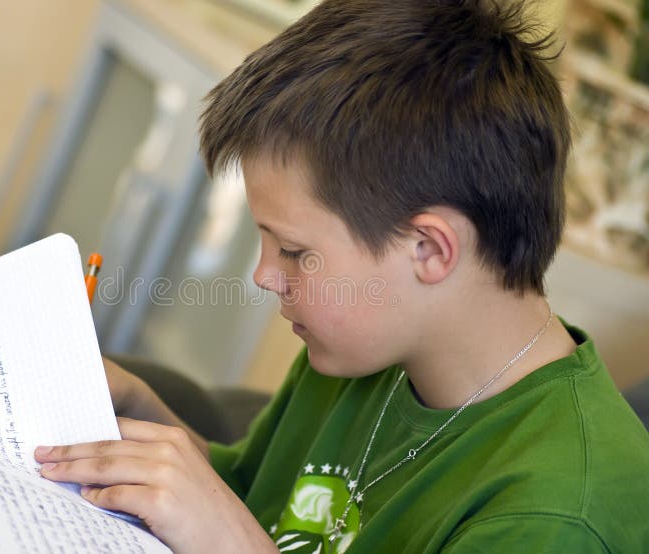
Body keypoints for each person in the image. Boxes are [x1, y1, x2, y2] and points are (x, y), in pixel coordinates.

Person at [34, 0, 649, 552]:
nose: (264, 277)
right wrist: (135, 407)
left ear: (430, 250)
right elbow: (251, 500)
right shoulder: (364, 342)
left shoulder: (556, 515)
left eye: (296, 253)